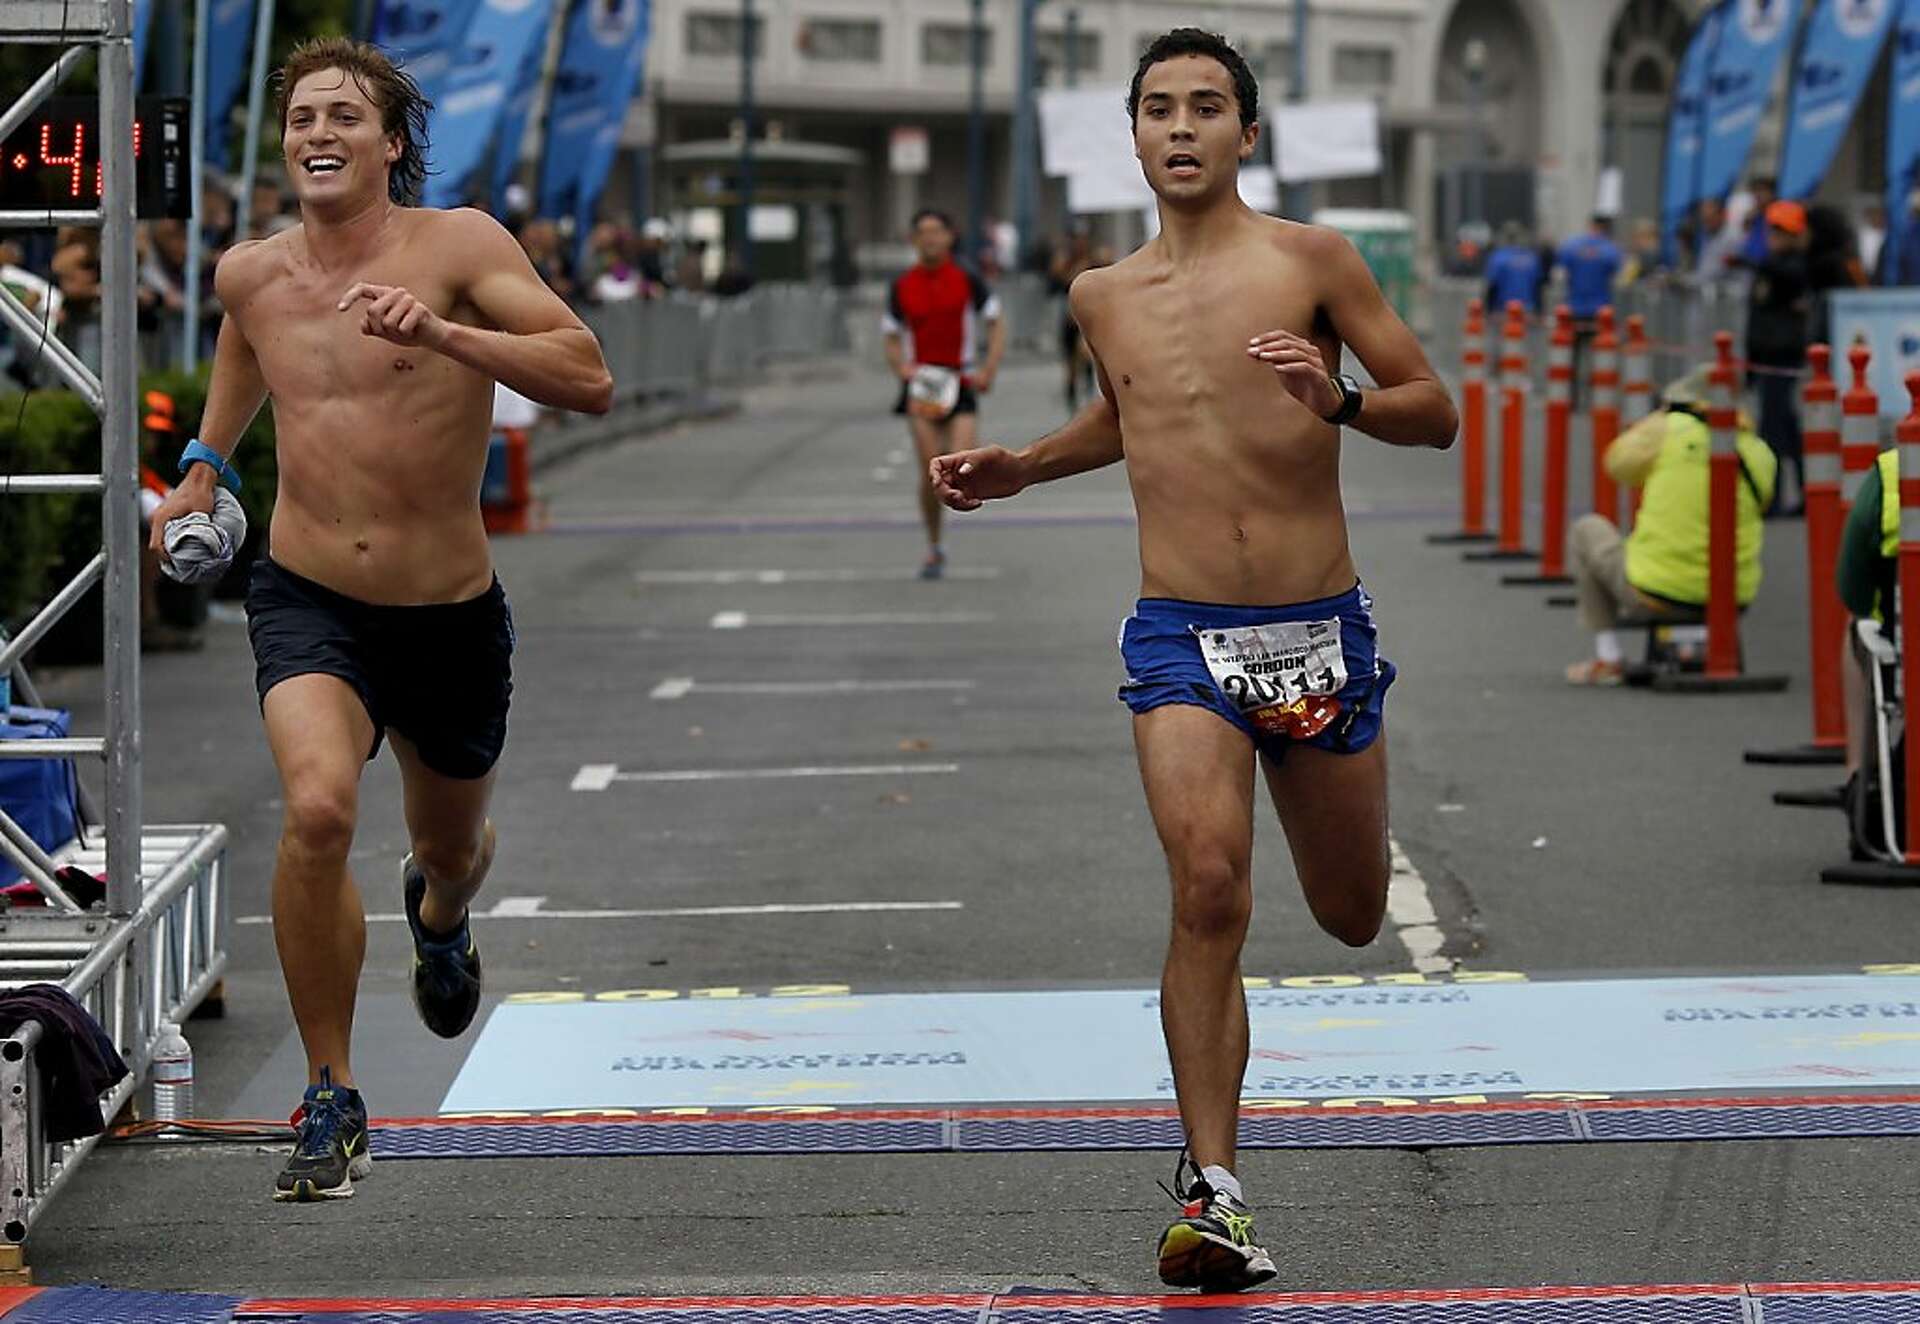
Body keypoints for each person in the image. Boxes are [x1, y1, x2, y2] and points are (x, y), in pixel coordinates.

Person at [930, 28, 1456, 1291]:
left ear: (1245, 135)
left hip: (1316, 635)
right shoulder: (1101, 294)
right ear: (1133, 135)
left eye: (1205, 107)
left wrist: (1340, 403)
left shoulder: (1313, 262)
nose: (1180, 128)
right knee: (1210, 884)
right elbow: (1135, 413)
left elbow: (1433, 409)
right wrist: (1021, 465)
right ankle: (1215, 1193)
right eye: (1158, 108)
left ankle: (1337, 840)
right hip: (1183, 640)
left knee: (1348, 914)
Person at [145, 37, 611, 1203]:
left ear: (391, 143)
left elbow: (586, 370)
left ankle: (442, 911)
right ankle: (332, 1090)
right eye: (303, 116)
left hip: (448, 613)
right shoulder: (249, 273)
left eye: (345, 117)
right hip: (309, 595)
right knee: (314, 807)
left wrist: (445, 335)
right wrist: (205, 462)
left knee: (448, 849)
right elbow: (250, 356)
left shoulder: (458, 247)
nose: (318, 133)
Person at [1563, 368, 1776, 684]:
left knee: (1587, 529)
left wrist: (1656, 423)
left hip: (1653, 591)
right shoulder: (1758, 451)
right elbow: (1763, 504)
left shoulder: (1669, 428)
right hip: (1732, 596)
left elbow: (1616, 464)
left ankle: (1607, 657)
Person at [884, 208, 1007, 580]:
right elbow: (891, 336)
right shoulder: (902, 285)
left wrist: (989, 368)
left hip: (962, 380)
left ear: (950, 237)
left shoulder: (968, 279)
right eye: (924, 232)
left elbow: (996, 323)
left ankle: (949, 522)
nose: (931, 238)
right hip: (923, 386)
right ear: (914, 240)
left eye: (937, 231)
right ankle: (934, 544)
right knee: (930, 471)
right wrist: (901, 368)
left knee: (960, 466)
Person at [1745, 199, 1811, 516]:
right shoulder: (1770, 266)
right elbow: (1756, 316)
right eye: (1772, 230)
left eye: (1781, 231)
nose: (1775, 236)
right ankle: (1787, 494)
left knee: (1777, 428)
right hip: (1766, 354)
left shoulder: (1794, 266)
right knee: (1780, 426)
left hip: (1783, 356)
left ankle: (1775, 498)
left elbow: (1789, 278)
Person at [1554, 215, 1622, 408]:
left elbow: (1561, 271)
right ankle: (1599, 400)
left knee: (1571, 358)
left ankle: (1572, 400)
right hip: (1600, 312)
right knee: (1600, 357)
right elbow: (1617, 272)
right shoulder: (1610, 250)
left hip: (1574, 309)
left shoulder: (1571, 246)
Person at [1483, 221, 1542, 314]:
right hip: (1527, 309)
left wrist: (1489, 310)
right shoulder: (1531, 257)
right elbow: (1537, 286)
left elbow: (1492, 285)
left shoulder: (1498, 257)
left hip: (1503, 309)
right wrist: (1539, 311)